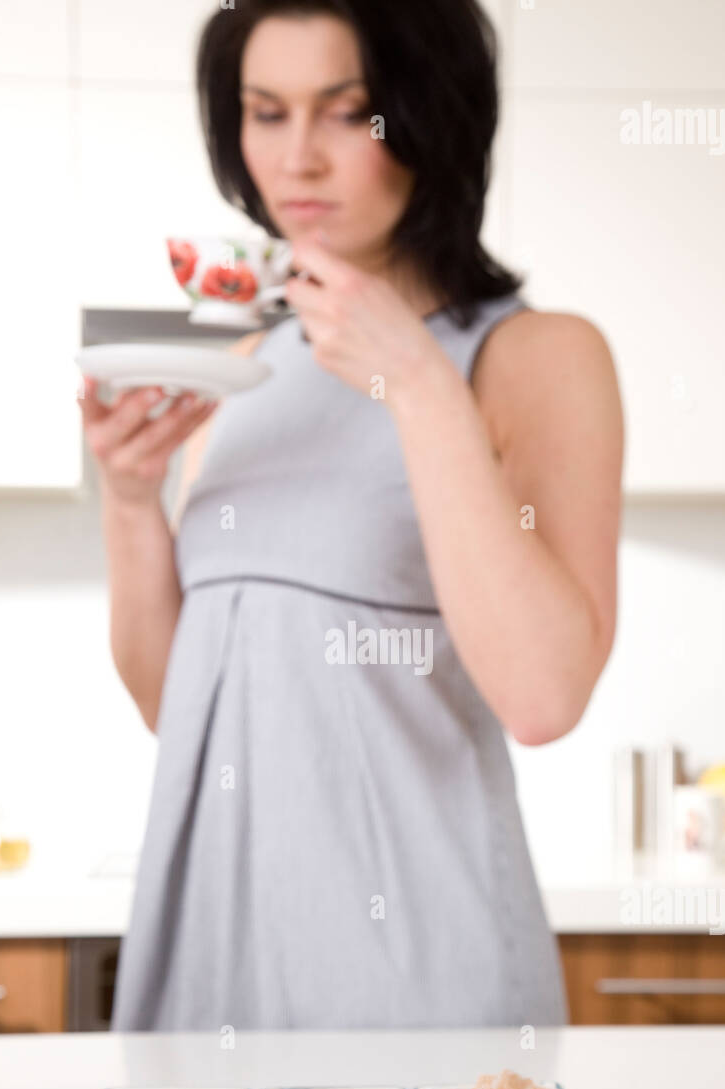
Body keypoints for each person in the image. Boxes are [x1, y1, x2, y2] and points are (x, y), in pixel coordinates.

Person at [80, 0, 623, 1031]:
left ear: (430, 118)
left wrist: (416, 384)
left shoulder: (532, 358)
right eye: (264, 112)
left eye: (349, 114)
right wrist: (127, 498)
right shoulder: (242, 366)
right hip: (213, 958)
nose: (299, 161)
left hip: (413, 968)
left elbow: (545, 694)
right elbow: (180, 706)